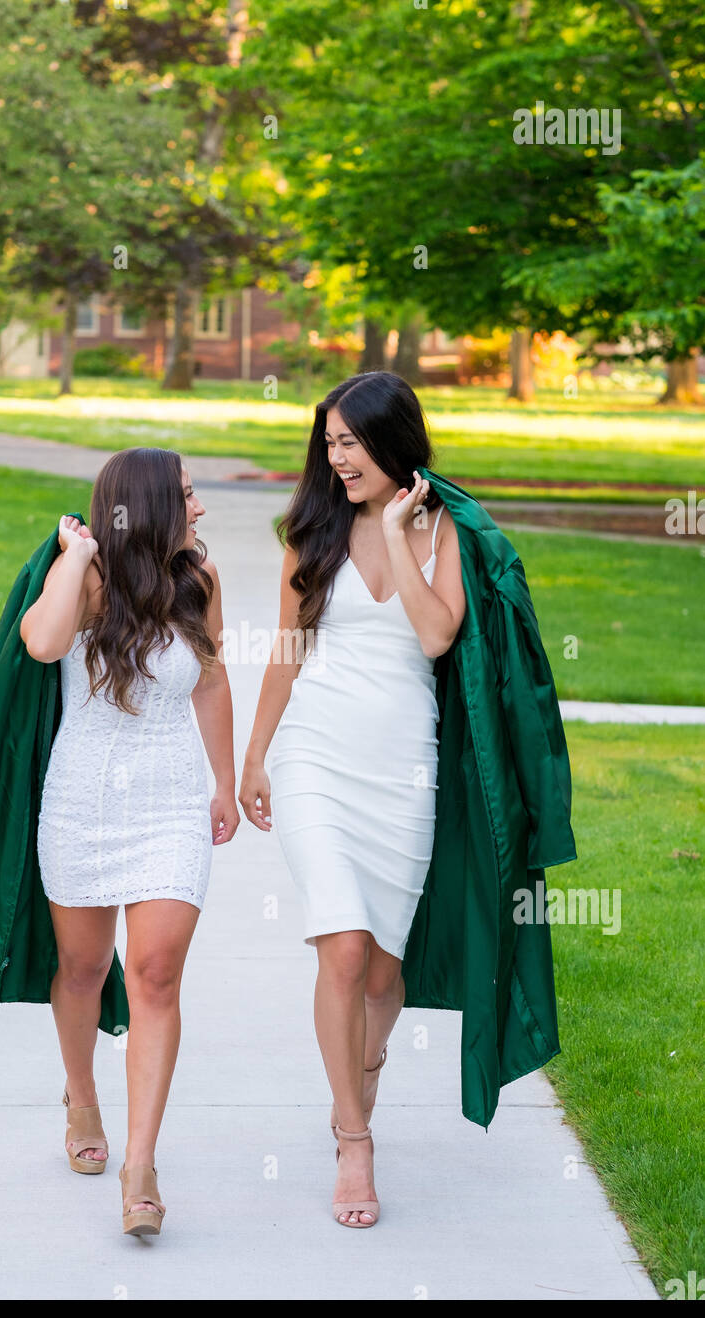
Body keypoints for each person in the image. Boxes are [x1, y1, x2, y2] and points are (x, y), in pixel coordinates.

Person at [239, 372, 466, 1228]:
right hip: (317, 759)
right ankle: (355, 1138)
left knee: (382, 974)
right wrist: (254, 758)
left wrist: (403, 532)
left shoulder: (446, 530)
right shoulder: (312, 532)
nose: (337, 460)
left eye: (351, 443)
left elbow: (436, 633)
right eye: (328, 444)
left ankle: (356, 1089)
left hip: (404, 766)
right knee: (341, 950)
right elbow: (287, 653)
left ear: (392, 440)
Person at [20, 447, 239, 1236]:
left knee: (154, 975)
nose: (200, 510)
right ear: (146, 507)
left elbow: (210, 680)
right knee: (82, 970)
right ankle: (82, 1100)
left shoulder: (200, 584)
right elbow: (42, 645)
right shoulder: (83, 577)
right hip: (82, 802)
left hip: (170, 802)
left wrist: (225, 779)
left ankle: (140, 1165)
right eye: (186, 497)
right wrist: (76, 552)